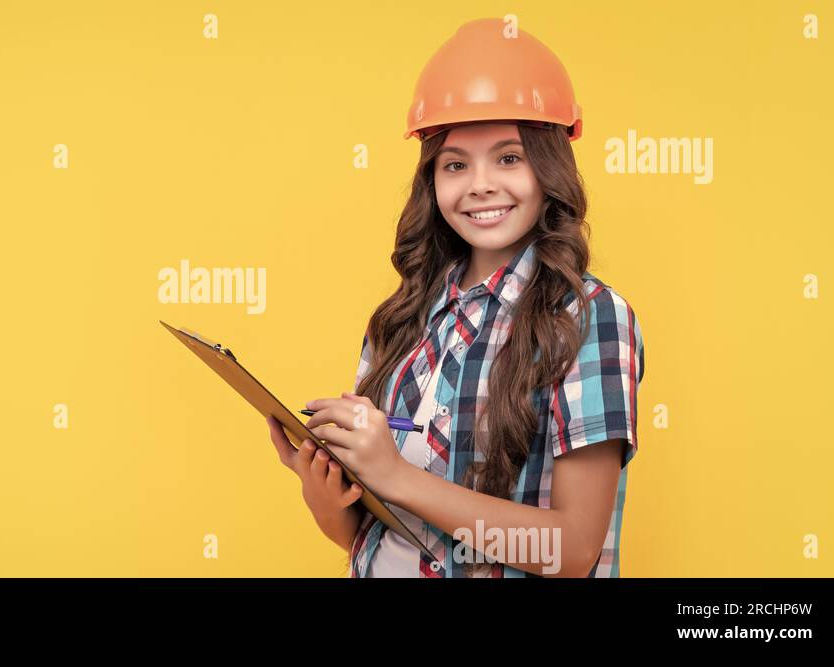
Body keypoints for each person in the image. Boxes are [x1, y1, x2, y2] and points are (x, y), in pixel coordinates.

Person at [265, 17, 645, 577]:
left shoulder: (588, 318)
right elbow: (370, 536)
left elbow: (572, 550)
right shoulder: (400, 318)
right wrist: (325, 497)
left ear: (551, 169)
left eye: (509, 158)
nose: (480, 184)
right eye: (455, 164)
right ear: (432, 180)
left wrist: (396, 475)